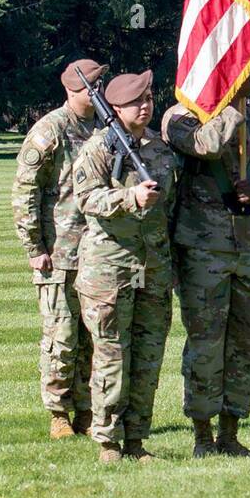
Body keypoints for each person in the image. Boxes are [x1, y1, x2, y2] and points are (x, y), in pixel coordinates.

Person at [162, 78, 250, 458]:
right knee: (206, 343)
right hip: (201, 246)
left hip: (247, 246)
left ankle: (231, 433)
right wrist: (233, 106)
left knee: (247, 343)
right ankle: (202, 436)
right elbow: (207, 145)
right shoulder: (181, 117)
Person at [73, 70, 180, 464]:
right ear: (116, 109)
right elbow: (87, 199)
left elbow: (174, 205)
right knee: (112, 356)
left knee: (149, 357)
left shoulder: (160, 151)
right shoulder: (98, 149)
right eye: (137, 101)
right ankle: (108, 441)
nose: (146, 106)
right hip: (110, 269)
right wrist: (130, 197)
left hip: (152, 267)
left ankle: (137, 438)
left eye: (149, 98)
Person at [11, 57, 105, 439]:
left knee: (92, 336)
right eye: (89, 89)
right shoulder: (51, 129)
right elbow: (24, 191)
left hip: (98, 252)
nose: (95, 94)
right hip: (59, 252)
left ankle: (86, 409)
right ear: (71, 91)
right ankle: (58, 412)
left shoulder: (104, 127)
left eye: (99, 87)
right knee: (61, 336)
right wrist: (34, 247)